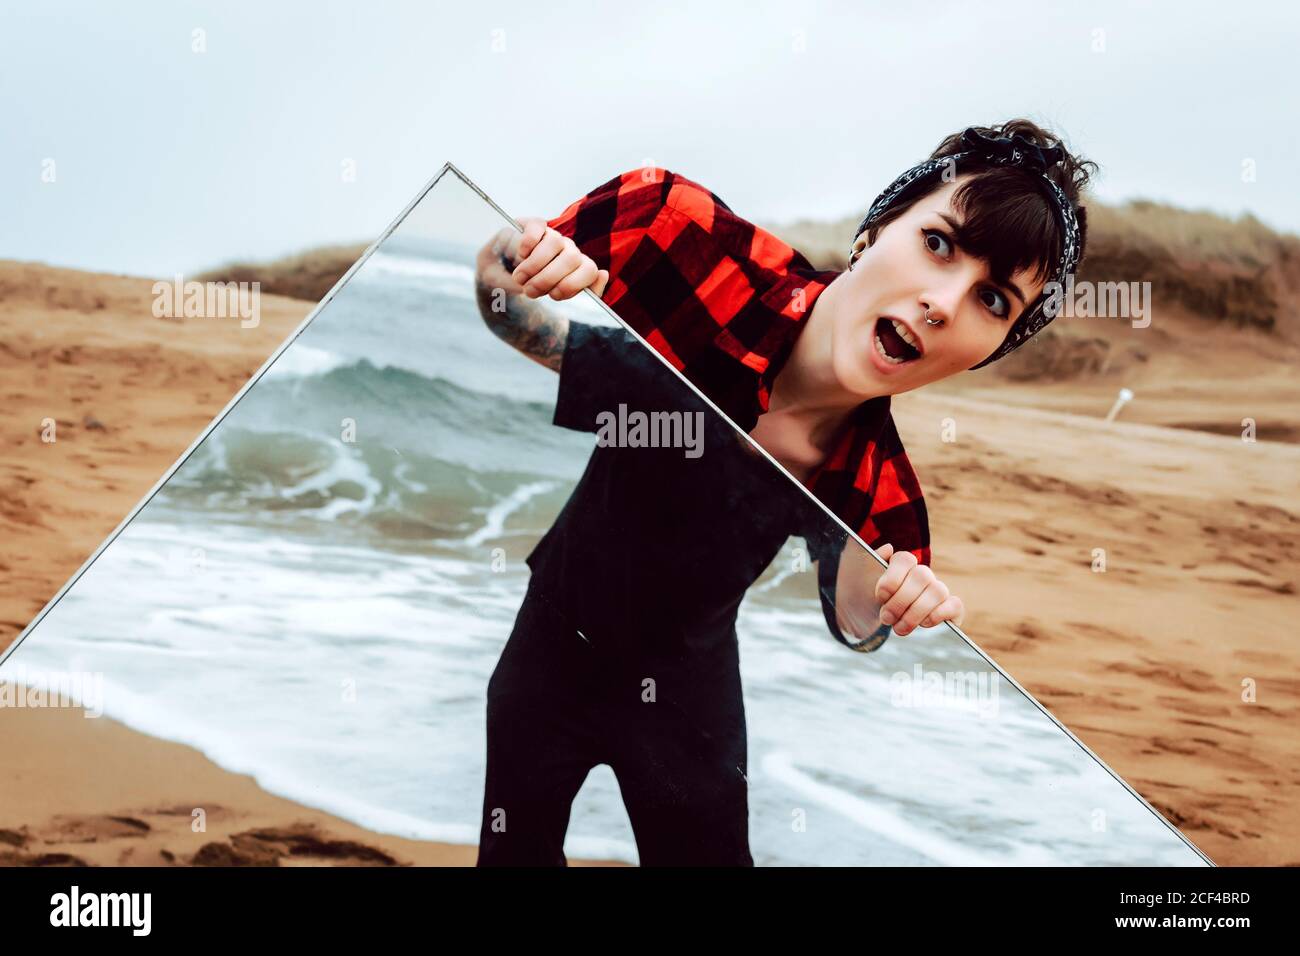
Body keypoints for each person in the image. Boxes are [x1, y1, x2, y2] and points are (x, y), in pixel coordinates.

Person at [472, 119, 1095, 866]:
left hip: (690, 701)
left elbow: (860, 616)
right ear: (874, 230)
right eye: (939, 242)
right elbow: (506, 303)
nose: (944, 303)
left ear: (992, 351)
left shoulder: (879, 487)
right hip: (551, 654)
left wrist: (908, 599)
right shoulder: (691, 253)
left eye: (994, 300)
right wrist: (526, 254)